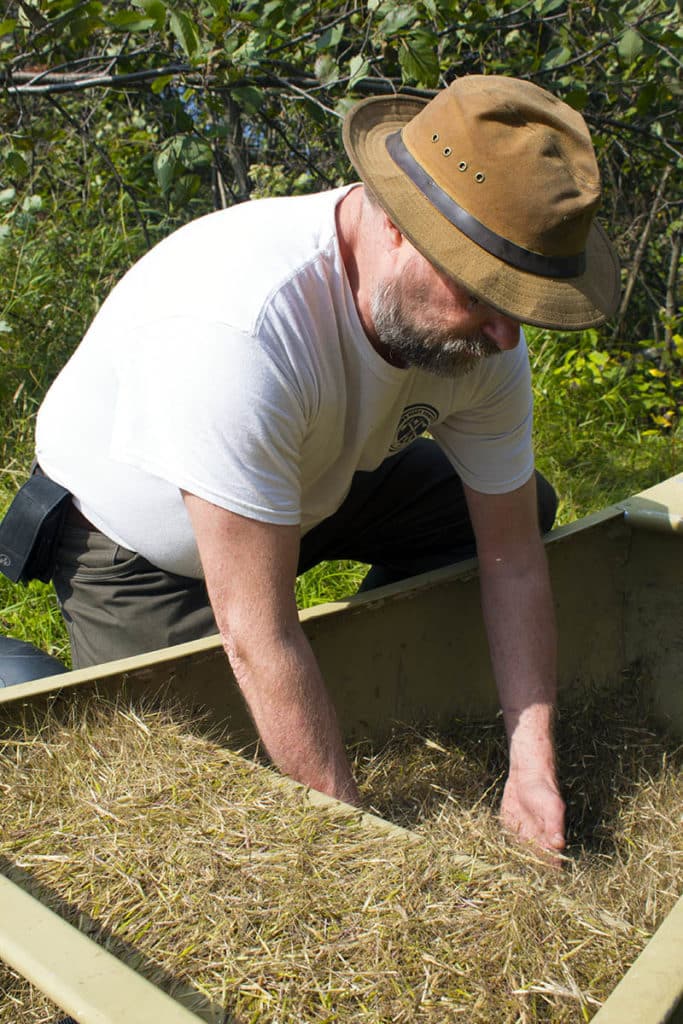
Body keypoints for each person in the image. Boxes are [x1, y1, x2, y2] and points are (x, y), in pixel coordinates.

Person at [29, 75, 620, 855]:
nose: (507, 338)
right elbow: (257, 631)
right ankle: (18, 679)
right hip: (145, 549)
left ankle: (357, 673)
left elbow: (510, 558)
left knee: (520, 511)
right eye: (485, 295)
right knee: (194, 803)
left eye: (521, 304)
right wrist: (357, 849)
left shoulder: (482, 333)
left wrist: (531, 761)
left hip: (319, 478)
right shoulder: (240, 326)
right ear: (399, 226)